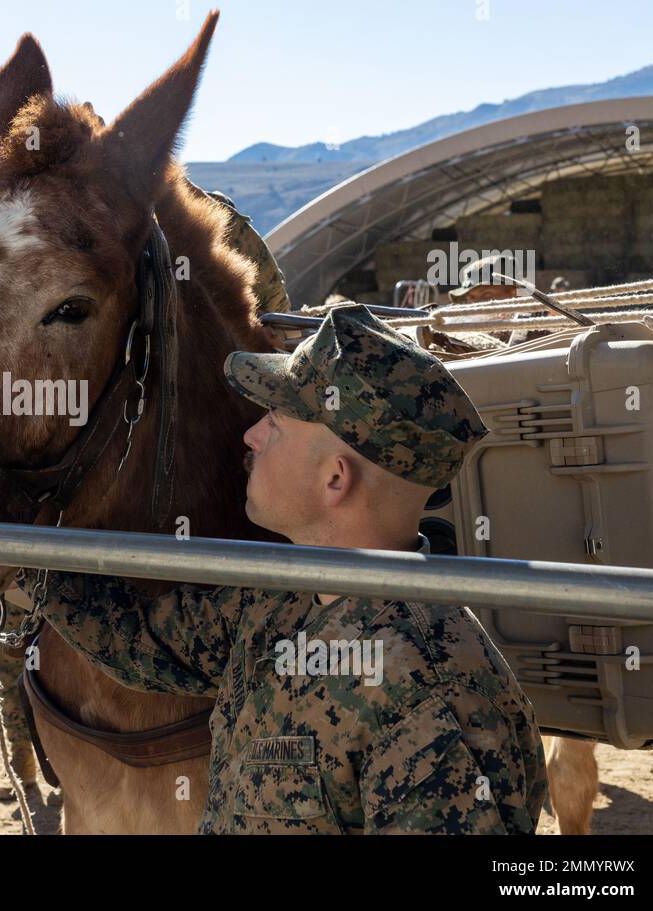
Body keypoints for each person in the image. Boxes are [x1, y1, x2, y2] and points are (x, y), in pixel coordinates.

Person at [30, 304, 547, 834]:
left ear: (334, 480)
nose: (251, 436)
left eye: (274, 422)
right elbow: (134, 640)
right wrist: (22, 532)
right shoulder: (281, 601)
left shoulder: (432, 693)